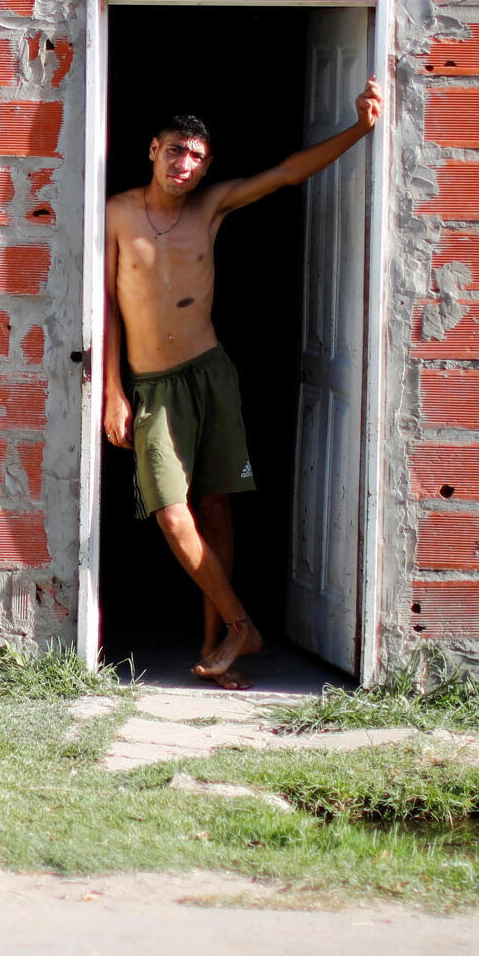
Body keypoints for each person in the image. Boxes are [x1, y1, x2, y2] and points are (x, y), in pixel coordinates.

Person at [103, 82, 384, 689]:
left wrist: (361, 128)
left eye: (198, 157)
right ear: (153, 149)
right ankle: (241, 626)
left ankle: (213, 648)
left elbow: (286, 173)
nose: (186, 166)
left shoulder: (212, 206)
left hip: (211, 372)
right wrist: (113, 390)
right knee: (172, 514)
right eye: (177, 151)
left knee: (216, 508)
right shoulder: (118, 213)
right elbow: (103, 305)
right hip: (152, 384)